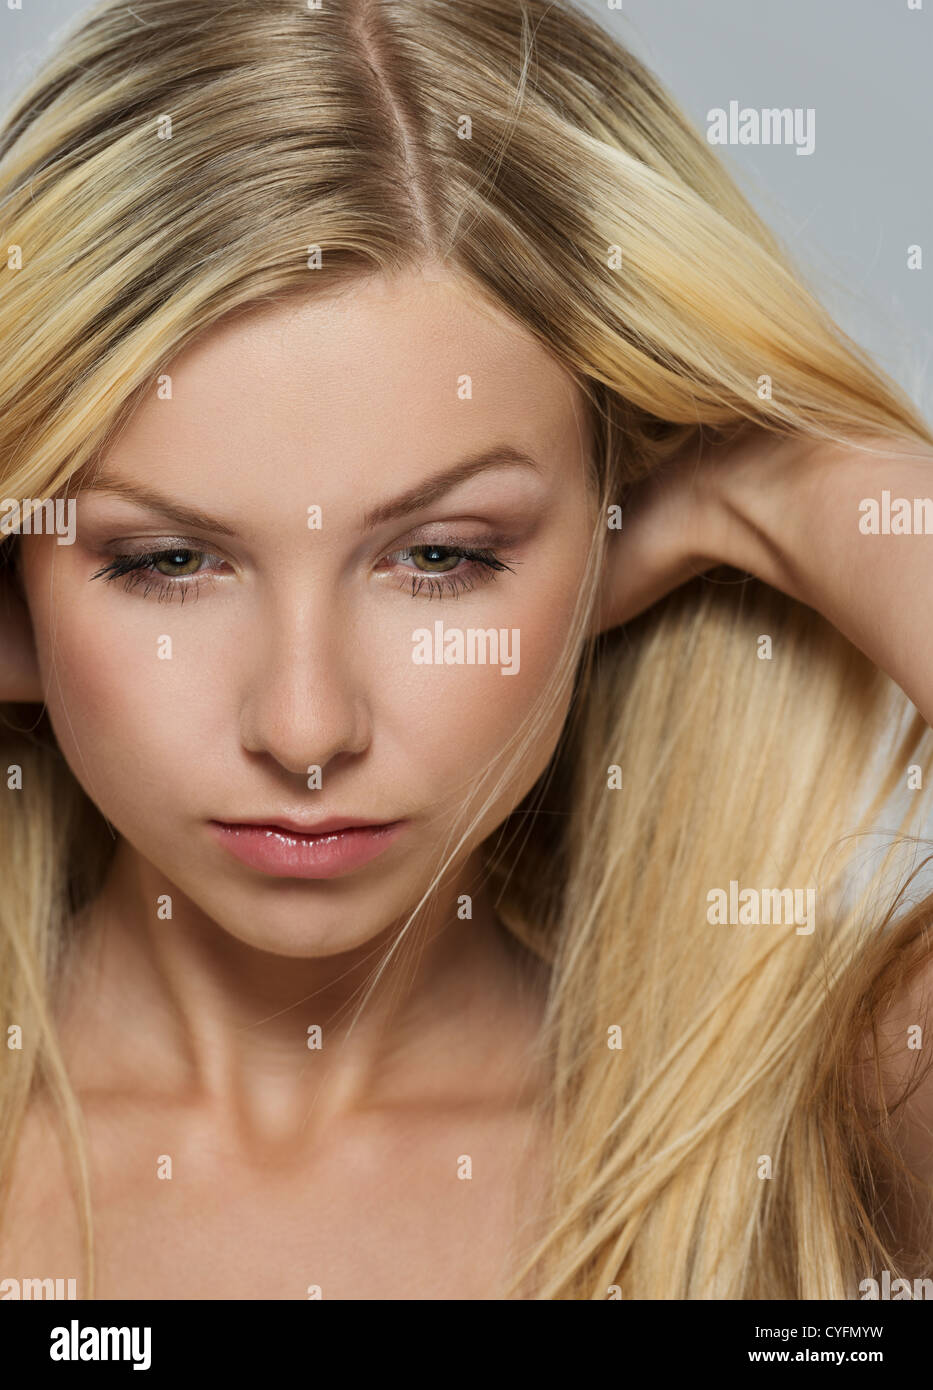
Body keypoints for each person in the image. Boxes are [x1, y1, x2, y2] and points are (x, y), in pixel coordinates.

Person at [0, 0, 931, 1301]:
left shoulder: (816, 1126)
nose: (308, 727)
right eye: (168, 560)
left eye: (439, 554)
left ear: (605, 542)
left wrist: (806, 488)